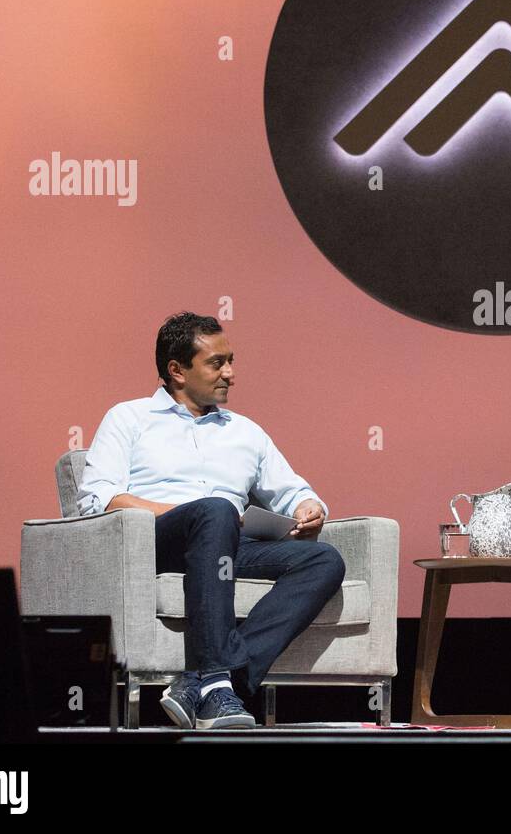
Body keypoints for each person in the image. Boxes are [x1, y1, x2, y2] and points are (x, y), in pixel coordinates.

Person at [76, 312, 345, 729]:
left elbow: (290, 490)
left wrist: (309, 507)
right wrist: (193, 515)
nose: (230, 374)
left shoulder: (246, 431)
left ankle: (210, 682)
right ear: (177, 371)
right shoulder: (128, 419)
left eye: (231, 360)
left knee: (323, 560)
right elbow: (99, 500)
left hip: (227, 546)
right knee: (215, 509)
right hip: (158, 543)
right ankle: (217, 678)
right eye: (217, 363)